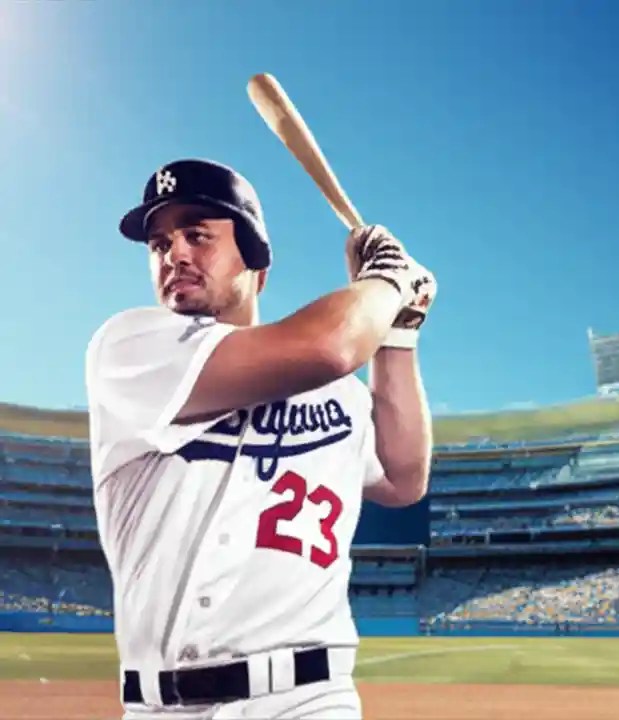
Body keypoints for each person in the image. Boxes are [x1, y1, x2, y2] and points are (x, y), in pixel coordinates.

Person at [85, 159, 436, 719]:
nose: (174, 255)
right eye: (159, 244)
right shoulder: (131, 349)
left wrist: (399, 330)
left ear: (256, 264)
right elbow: (330, 345)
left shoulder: (339, 395)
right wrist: (389, 281)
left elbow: (402, 478)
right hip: (160, 707)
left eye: (197, 235)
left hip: (308, 699)